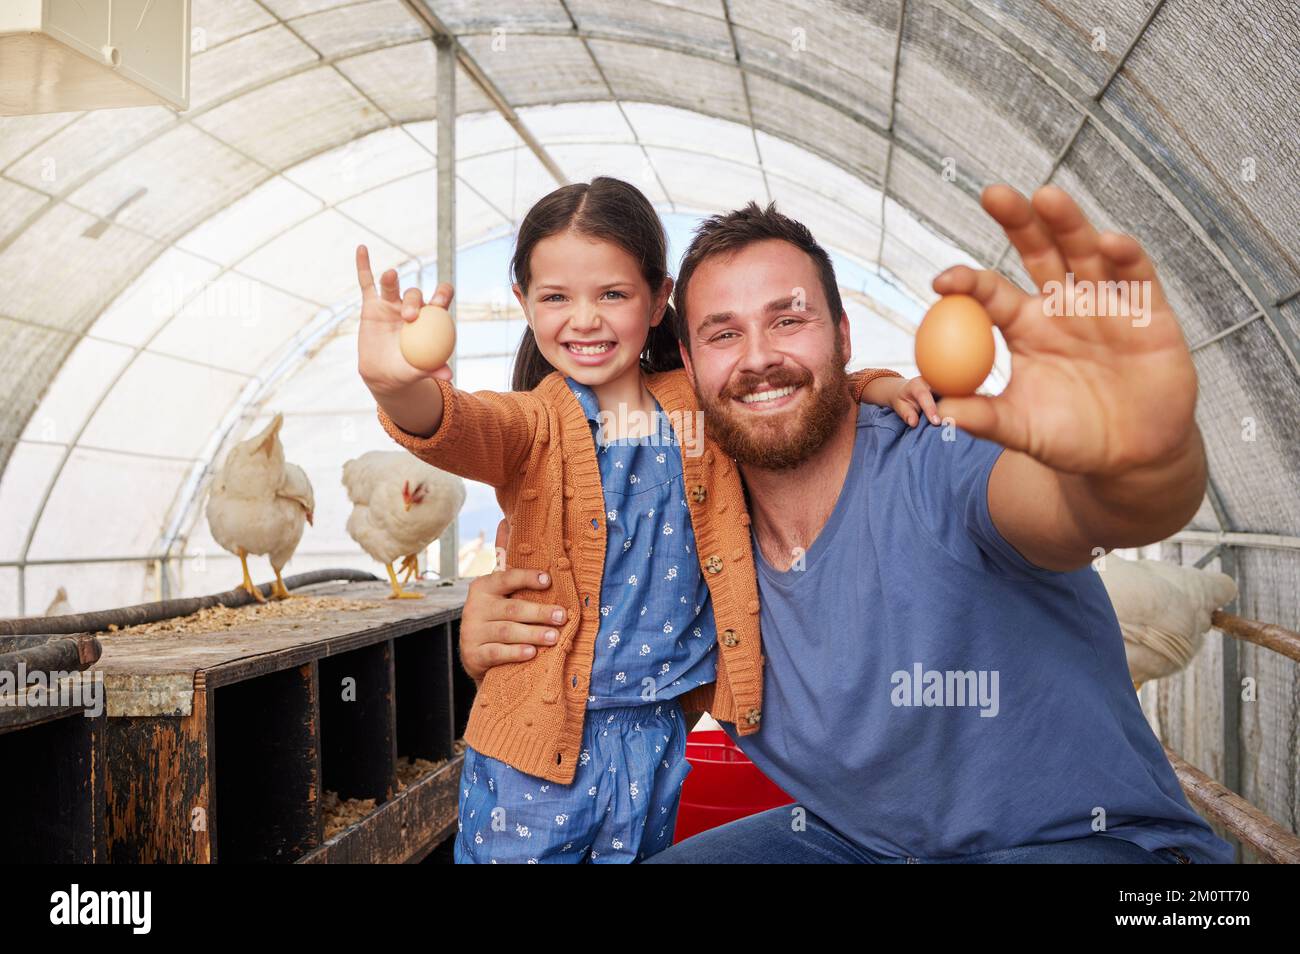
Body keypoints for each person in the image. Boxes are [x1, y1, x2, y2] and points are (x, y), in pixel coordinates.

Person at [459, 184, 1236, 864]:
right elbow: (609, 623)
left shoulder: (936, 459)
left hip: (1093, 847)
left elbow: (1085, 507)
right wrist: (490, 634)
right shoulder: (694, 539)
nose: (759, 358)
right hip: (858, 843)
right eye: (725, 334)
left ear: (843, 337)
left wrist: (1142, 459)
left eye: (788, 320)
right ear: (687, 371)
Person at [355, 176, 933, 863]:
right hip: (539, 747)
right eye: (555, 298)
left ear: (660, 299)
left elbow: (786, 385)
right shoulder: (532, 425)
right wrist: (397, 385)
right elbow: (455, 424)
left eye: (613, 294)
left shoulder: (698, 405)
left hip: (657, 737)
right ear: (524, 305)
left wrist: (880, 385)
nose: (585, 319)